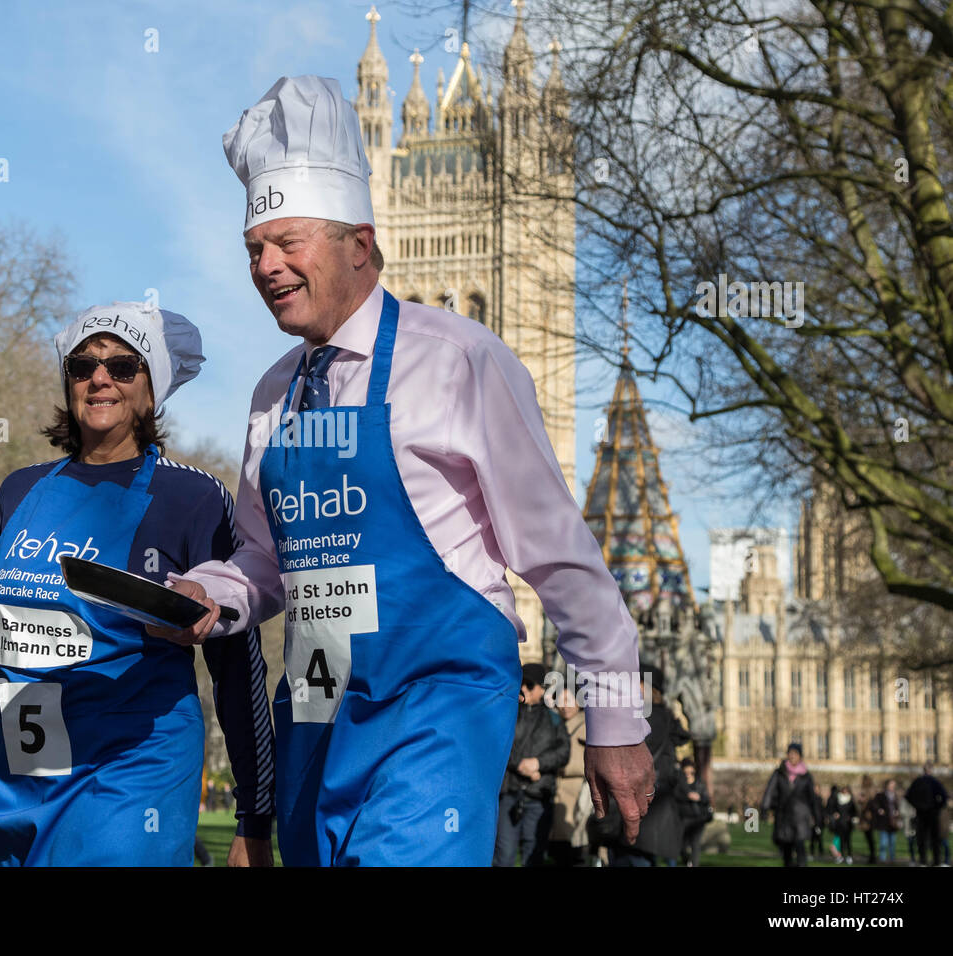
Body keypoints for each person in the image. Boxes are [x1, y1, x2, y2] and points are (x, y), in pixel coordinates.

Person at [157, 74, 653, 867]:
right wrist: (208, 596)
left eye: (289, 243)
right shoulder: (271, 394)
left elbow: (559, 553)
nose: (267, 266)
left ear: (360, 243)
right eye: (255, 249)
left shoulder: (459, 359)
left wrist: (617, 718)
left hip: (435, 704)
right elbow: (264, 559)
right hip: (316, 710)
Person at [0, 302, 276, 866]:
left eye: (123, 367)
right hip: (27, 758)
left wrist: (255, 815)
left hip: (131, 763)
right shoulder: (19, 490)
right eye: (83, 366)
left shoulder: (194, 498)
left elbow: (237, 667)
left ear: (151, 392)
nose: (99, 378)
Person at [607, 667, 688, 866]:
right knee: (643, 854)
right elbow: (682, 737)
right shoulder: (667, 718)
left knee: (631, 856)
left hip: (636, 797)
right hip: (657, 800)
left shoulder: (639, 716)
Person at [493, 663, 570, 866]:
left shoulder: (554, 720)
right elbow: (499, 744)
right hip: (509, 793)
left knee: (534, 856)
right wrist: (521, 765)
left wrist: (538, 764)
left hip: (539, 795)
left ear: (542, 688)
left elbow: (563, 753)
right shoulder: (509, 714)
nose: (524, 689)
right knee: (504, 856)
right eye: (521, 683)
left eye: (529, 684)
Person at [760, 743, 823, 867]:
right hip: (784, 816)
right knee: (786, 849)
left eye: (795, 753)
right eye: (790, 753)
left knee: (800, 846)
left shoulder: (806, 776)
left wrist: (818, 818)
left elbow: (812, 799)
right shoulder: (779, 773)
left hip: (801, 817)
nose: (792, 756)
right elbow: (769, 791)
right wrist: (764, 808)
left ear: (800, 756)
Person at [549, 687, 591, 866]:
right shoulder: (554, 725)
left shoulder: (588, 726)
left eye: (569, 700)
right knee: (558, 848)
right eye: (561, 700)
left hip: (577, 793)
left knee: (576, 846)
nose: (564, 706)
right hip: (556, 792)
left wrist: (560, 767)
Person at [904, 763, 949, 866]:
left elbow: (908, 796)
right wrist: (938, 807)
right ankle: (936, 861)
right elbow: (944, 796)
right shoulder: (934, 782)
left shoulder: (917, 781)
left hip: (921, 813)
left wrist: (916, 805)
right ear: (931, 770)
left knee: (921, 838)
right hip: (932, 813)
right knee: (934, 838)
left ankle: (923, 861)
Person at [677, 757, 712, 867]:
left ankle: (694, 864)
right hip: (683, 818)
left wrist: (699, 797)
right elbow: (675, 796)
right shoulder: (679, 783)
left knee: (695, 843)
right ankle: (687, 860)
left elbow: (706, 798)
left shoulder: (699, 783)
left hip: (698, 817)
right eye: (685, 771)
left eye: (690, 771)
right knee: (681, 844)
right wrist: (688, 796)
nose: (688, 773)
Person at [868, 778, 900, 863]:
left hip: (893, 822)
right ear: (887, 786)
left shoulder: (895, 796)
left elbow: (898, 806)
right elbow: (873, 804)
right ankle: (882, 860)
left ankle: (892, 859)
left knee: (892, 843)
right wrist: (879, 810)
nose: (892, 787)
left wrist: (897, 811)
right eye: (891, 785)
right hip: (884, 822)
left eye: (894, 785)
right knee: (883, 843)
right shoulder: (881, 795)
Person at [826, 784, 857, 864]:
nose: (845, 792)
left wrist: (851, 817)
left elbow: (854, 812)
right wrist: (835, 814)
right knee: (842, 841)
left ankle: (849, 856)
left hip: (848, 823)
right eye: (844, 790)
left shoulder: (851, 800)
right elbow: (833, 809)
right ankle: (842, 856)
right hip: (840, 823)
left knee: (848, 841)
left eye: (846, 791)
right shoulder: (837, 800)